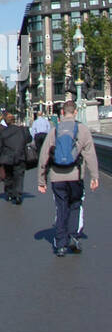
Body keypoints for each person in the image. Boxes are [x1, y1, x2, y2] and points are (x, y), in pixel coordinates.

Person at [37, 99, 99, 256]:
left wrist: (41, 180)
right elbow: (90, 154)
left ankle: (60, 244)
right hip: (75, 175)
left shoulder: (54, 131)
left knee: (61, 207)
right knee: (75, 205)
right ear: (76, 112)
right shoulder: (82, 130)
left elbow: (44, 155)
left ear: (62, 113)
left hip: (57, 177)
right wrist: (94, 176)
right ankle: (74, 236)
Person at [0, 112, 31, 204]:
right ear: (14, 121)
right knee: (19, 176)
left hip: (7, 158)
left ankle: (9, 193)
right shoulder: (21, 130)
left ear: (6, 122)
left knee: (8, 176)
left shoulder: (3, 133)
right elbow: (29, 139)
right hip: (20, 156)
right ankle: (18, 195)